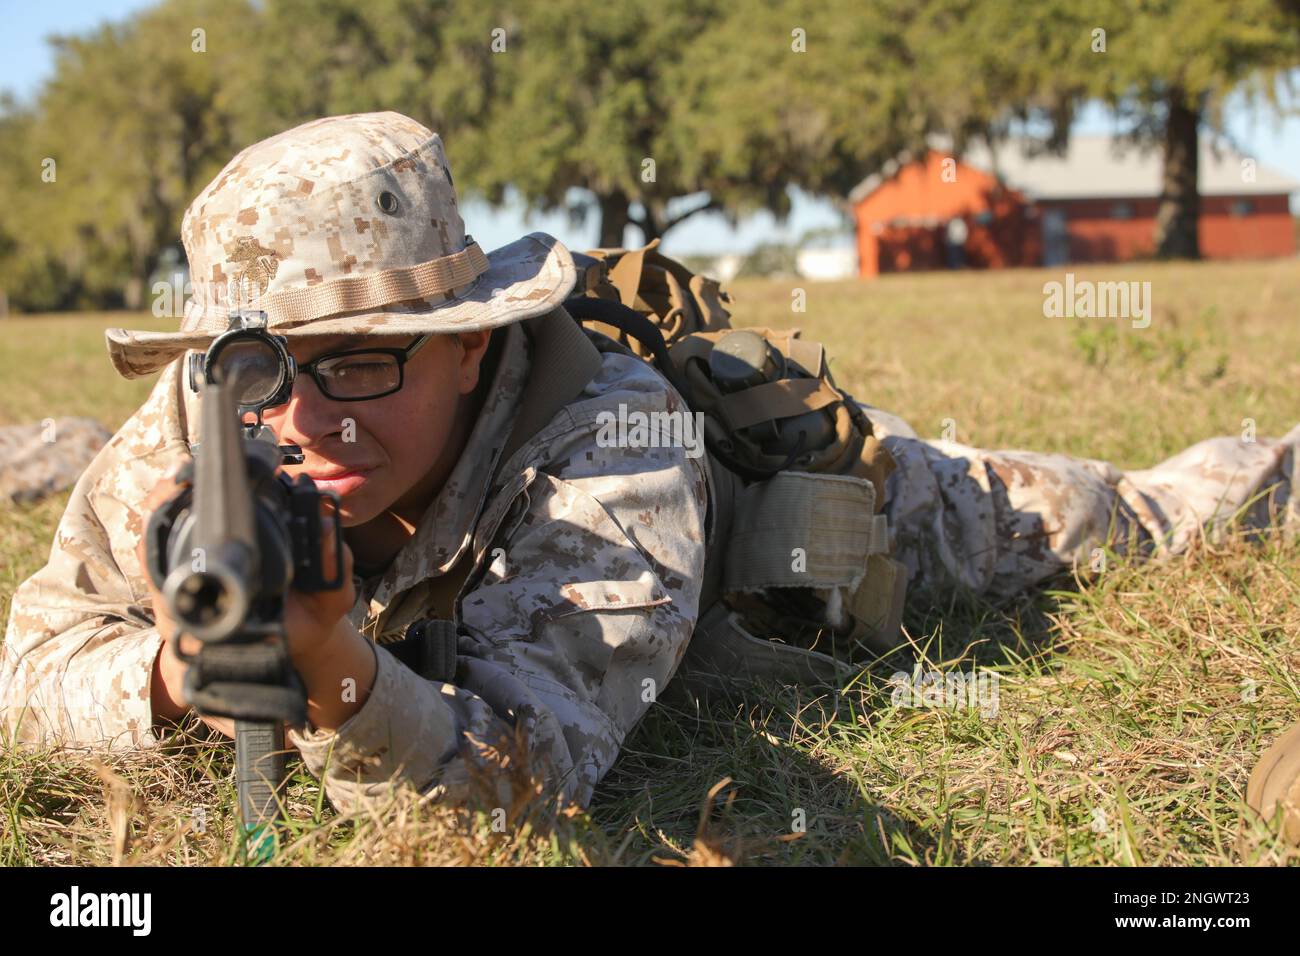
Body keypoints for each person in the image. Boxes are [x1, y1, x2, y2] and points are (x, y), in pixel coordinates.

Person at [2, 111, 1297, 840]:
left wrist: (338, 678)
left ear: (470, 345)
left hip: (830, 503)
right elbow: (30, 660)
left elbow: (523, 778)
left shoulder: (612, 453)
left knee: (1137, 518)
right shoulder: (207, 415)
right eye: (264, 368)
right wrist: (170, 681)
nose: (301, 420)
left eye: (362, 363)